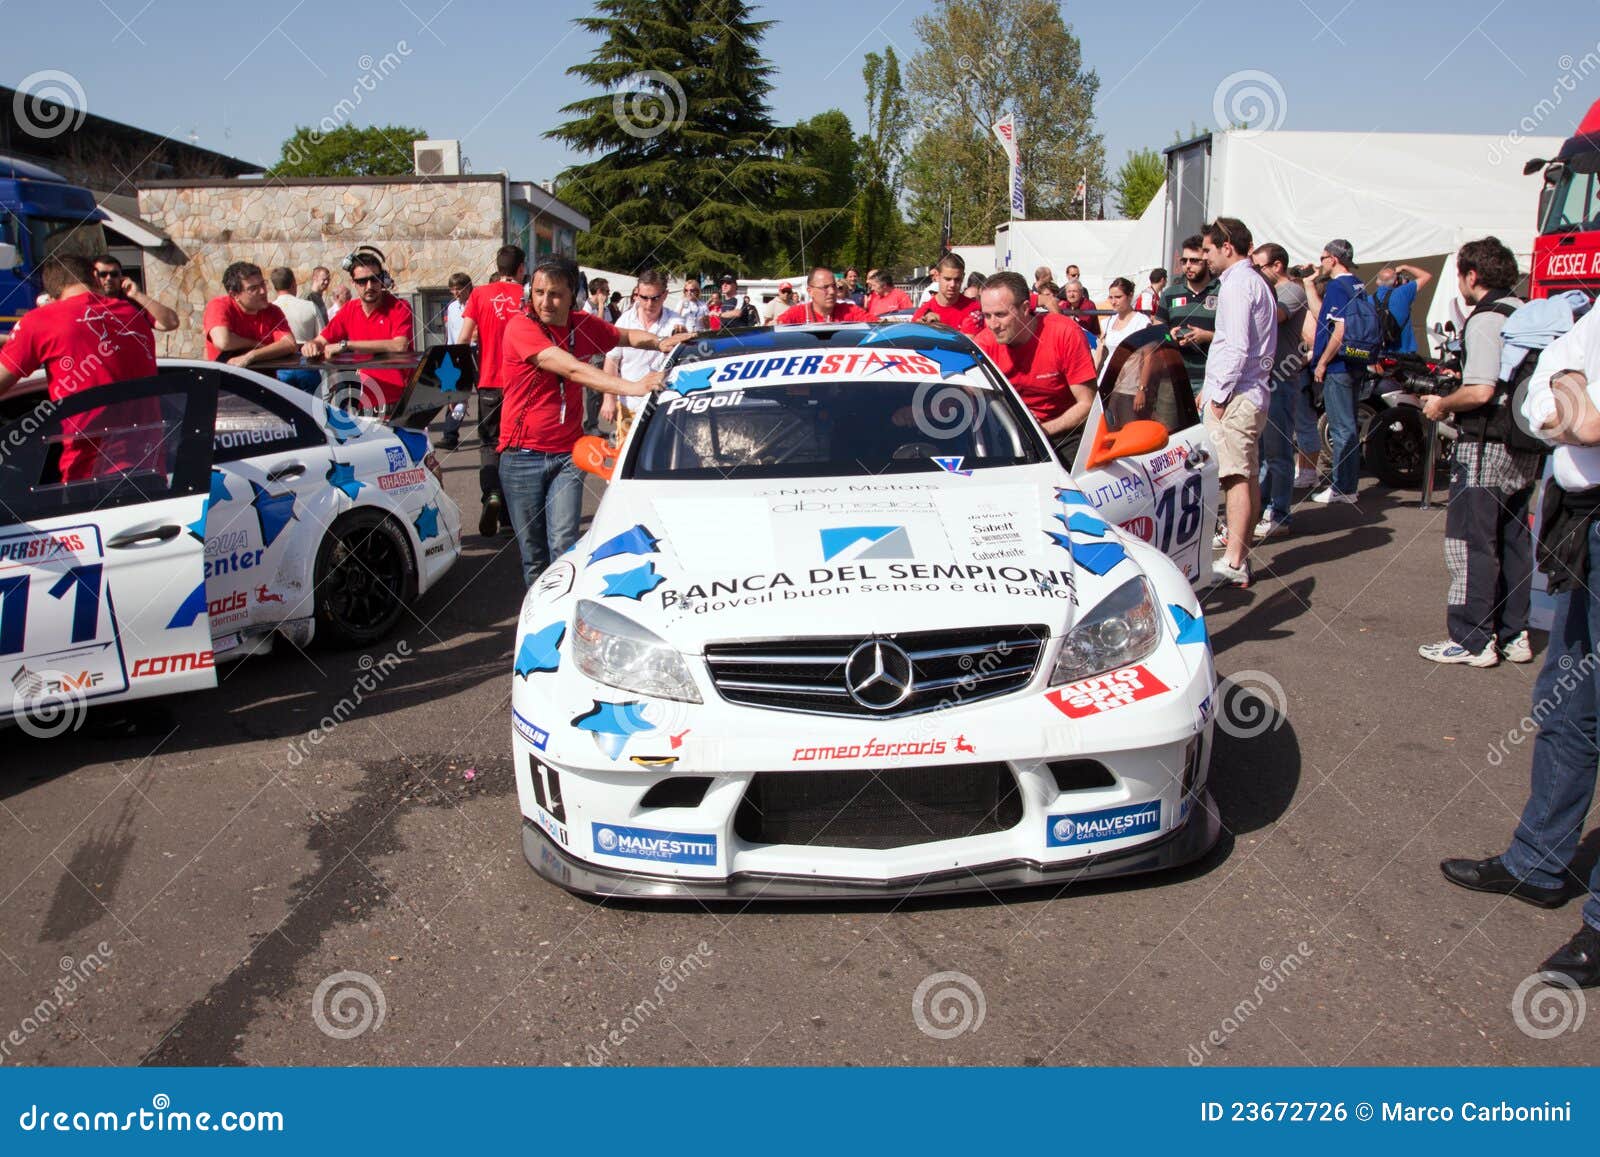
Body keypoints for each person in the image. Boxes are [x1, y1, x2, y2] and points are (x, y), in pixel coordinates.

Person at [1439, 305, 1600, 988]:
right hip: (1587, 525)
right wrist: (1569, 390)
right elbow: (1540, 399)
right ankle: (1539, 861)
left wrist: (1574, 396)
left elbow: (1582, 418)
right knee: (1564, 709)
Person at [497, 258, 692, 585]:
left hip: (566, 455)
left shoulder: (580, 323)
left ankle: (564, 611)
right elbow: (571, 369)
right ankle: (543, 620)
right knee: (533, 554)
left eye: (556, 294)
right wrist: (631, 387)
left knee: (563, 543)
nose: (546, 301)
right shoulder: (521, 327)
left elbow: (624, 335)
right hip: (521, 456)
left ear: (572, 294)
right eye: (540, 292)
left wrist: (659, 342)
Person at [1417, 237, 1538, 666]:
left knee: (1471, 541)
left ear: (1472, 276)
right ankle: (1513, 632)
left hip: (1485, 444)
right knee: (1515, 539)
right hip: (1526, 442)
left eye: (1460, 277)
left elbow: (1482, 390)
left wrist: (1442, 404)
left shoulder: (1485, 318)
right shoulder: (1526, 311)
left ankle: (1472, 638)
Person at [0, 254, 161, 481]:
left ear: (53, 295)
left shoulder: (41, 321)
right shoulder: (131, 315)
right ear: (95, 276)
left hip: (90, 475)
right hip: (151, 466)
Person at [1198, 218, 1276, 588]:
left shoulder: (1239, 284)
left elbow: (1238, 346)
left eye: (1209, 250)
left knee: (1235, 476)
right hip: (1248, 393)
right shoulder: (1250, 282)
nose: (1205, 258)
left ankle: (1233, 558)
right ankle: (1237, 556)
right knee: (1244, 474)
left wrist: (1218, 395)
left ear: (1227, 246)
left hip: (1238, 396)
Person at [974, 270, 1097, 464]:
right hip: (1008, 435)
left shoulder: (1064, 333)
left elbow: (1088, 404)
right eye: (987, 316)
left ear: (1024, 308)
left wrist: (1042, 430)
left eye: (1000, 314)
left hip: (1064, 436)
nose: (993, 324)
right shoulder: (983, 345)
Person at [456, 244, 526, 536]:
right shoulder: (527, 296)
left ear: (498, 267)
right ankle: (510, 518)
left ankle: (492, 494)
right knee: (515, 447)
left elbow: (462, 340)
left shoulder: (480, 294)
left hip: (488, 381)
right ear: (521, 268)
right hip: (520, 383)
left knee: (489, 445)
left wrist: (457, 386)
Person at [1249, 244, 1315, 541]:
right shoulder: (1274, 289)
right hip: (1265, 380)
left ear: (1277, 266)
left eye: (1260, 267)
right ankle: (1262, 508)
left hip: (1281, 380)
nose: (1256, 273)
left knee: (1278, 452)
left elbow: (1273, 317)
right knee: (1262, 452)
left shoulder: (1292, 291)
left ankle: (1280, 513)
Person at [301, 251, 415, 412]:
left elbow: (399, 345)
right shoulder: (350, 309)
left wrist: (346, 345)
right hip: (366, 401)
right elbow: (322, 339)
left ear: (381, 278)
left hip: (400, 400)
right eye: (362, 281)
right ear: (353, 283)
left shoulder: (399, 306)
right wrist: (311, 345)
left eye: (374, 279)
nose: (369, 286)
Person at [1305, 239, 1364, 504]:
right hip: (1354, 362)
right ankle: (1348, 484)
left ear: (1333, 259)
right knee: (1348, 425)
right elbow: (1324, 317)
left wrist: (1322, 362)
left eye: (1323, 257)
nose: (1321, 262)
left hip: (1338, 365)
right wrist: (1308, 285)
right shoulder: (1357, 284)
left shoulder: (1338, 286)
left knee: (1341, 429)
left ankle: (1344, 487)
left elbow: (1338, 331)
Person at [602, 269, 684, 445]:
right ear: (637, 294)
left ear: (665, 295)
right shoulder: (625, 320)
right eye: (643, 297)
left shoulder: (676, 322)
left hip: (663, 408)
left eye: (654, 298)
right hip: (629, 407)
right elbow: (612, 360)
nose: (648, 304)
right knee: (624, 459)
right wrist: (608, 399)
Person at [203, 261, 297, 368]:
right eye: (253, 288)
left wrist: (251, 355)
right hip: (224, 379)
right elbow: (223, 342)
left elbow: (290, 344)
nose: (262, 291)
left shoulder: (272, 311)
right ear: (234, 295)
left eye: (263, 284)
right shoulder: (219, 305)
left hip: (264, 381)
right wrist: (255, 344)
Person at [1156, 237, 1219, 390]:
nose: (1188, 266)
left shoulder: (1222, 291)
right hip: (1172, 377)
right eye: (1184, 261)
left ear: (1206, 260)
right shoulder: (1170, 294)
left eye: (1194, 261)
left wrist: (1206, 336)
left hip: (1210, 379)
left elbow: (1235, 337)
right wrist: (1169, 337)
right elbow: (1158, 334)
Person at [90, 254, 179, 334]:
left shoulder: (133, 304)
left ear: (121, 277)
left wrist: (136, 294)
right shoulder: (87, 303)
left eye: (114, 274)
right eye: (103, 274)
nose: (109, 278)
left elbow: (172, 323)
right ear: (94, 276)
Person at [268, 267, 324, 392]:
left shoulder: (269, 310)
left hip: (279, 367)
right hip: (307, 364)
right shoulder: (309, 306)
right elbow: (323, 336)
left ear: (275, 287)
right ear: (294, 283)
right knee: (312, 409)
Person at [438, 271, 474, 448]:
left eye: (458, 289)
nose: (455, 293)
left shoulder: (476, 304)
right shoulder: (451, 307)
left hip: (475, 350)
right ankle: (450, 435)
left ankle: (489, 434)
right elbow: (450, 333)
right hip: (456, 352)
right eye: (452, 289)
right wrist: (449, 353)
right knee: (453, 393)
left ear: (468, 288)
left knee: (483, 394)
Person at [911, 253, 981, 333]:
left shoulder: (975, 310)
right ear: (937, 276)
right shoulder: (922, 314)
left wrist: (939, 327)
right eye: (947, 279)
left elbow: (971, 344)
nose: (952, 285)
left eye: (957, 279)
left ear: (963, 277)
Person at [1374, 262, 1434, 353]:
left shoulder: (1368, 299)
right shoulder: (1403, 292)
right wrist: (1405, 267)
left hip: (1380, 353)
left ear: (1377, 282)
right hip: (1405, 352)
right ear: (1396, 282)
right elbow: (1426, 276)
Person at [777, 267, 869, 325]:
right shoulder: (796, 313)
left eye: (834, 286)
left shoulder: (850, 311)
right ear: (810, 291)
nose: (832, 291)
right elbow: (772, 330)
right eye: (825, 287)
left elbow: (878, 327)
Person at [1098, 277, 1149, 365]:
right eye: (1111, 297)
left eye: (1118, 297)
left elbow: (1148, 356)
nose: (1113, 302)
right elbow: (1099, 354)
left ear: (1130, 296)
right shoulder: (1107, 322)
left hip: (1132, 374)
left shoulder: (1142, 322)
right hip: (1108, 374)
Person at [1060, 279, 1101, 344]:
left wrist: (1068, 321)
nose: (1071, 294)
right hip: (1069, 341)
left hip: (1089, 342)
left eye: (1074, 291)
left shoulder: (1088, 305)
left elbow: (1083, 327)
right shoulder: (1063, 306)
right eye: (1069, 291)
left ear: (1081, 292)